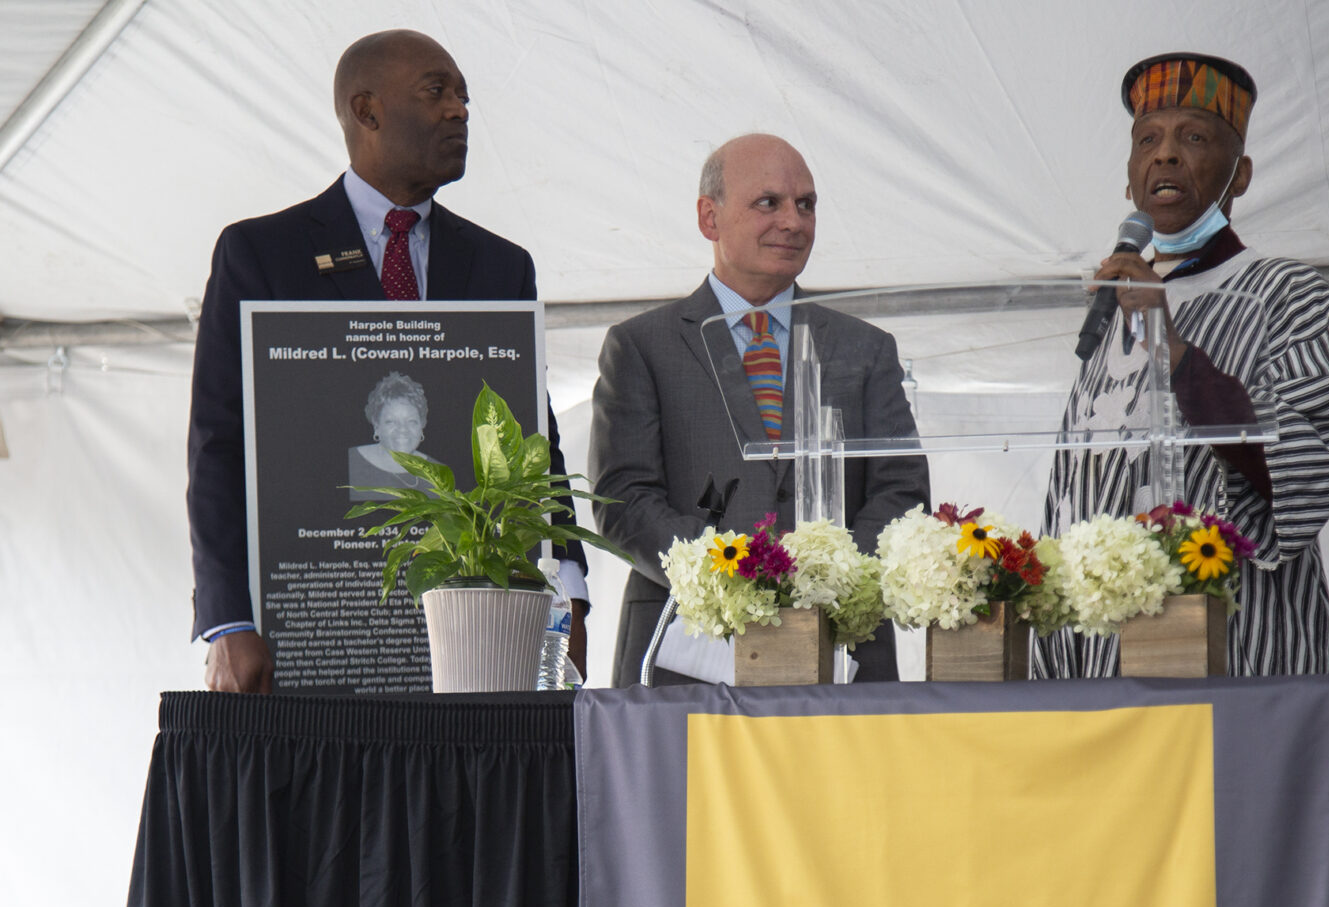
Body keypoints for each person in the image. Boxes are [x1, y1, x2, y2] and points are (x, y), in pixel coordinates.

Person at [187, 29, 587, 693]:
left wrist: (570, 595)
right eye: (437, 92)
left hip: (474, 636)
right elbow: (219, 446)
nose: (459, 110)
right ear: (365, 110)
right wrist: (227, 621)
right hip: (312, 630)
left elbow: (532, 446)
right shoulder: (262, 255)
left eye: (464, 97)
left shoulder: (500, 266)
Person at [1038, 53, 1329, 677]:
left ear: (1239, 175)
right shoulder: (1113, 305)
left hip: (1236, 645)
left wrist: (1173, 347)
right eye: (1147, 141)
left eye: (1193, 138)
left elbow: (1305, 462)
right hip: (1100, 660)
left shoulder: (1286, 294)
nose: (1165, 155)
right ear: (1129, 180)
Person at [590, 133, 930, 686]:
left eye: (806, 204)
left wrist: (827, 581)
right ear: (709, 217)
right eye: (768, 203)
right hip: (689, 652)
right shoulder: (642, 346)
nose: (793, 222)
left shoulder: (865, 347)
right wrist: (737, 576)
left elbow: (902, 491)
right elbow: (623, 501)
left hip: (843, 647)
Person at [347, 371, 439, 500]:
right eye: (391, 421)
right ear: (377, 426)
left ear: (421, 426)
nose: (402, 429)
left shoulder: (438, 474)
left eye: (411, 421)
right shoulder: (351, 463)